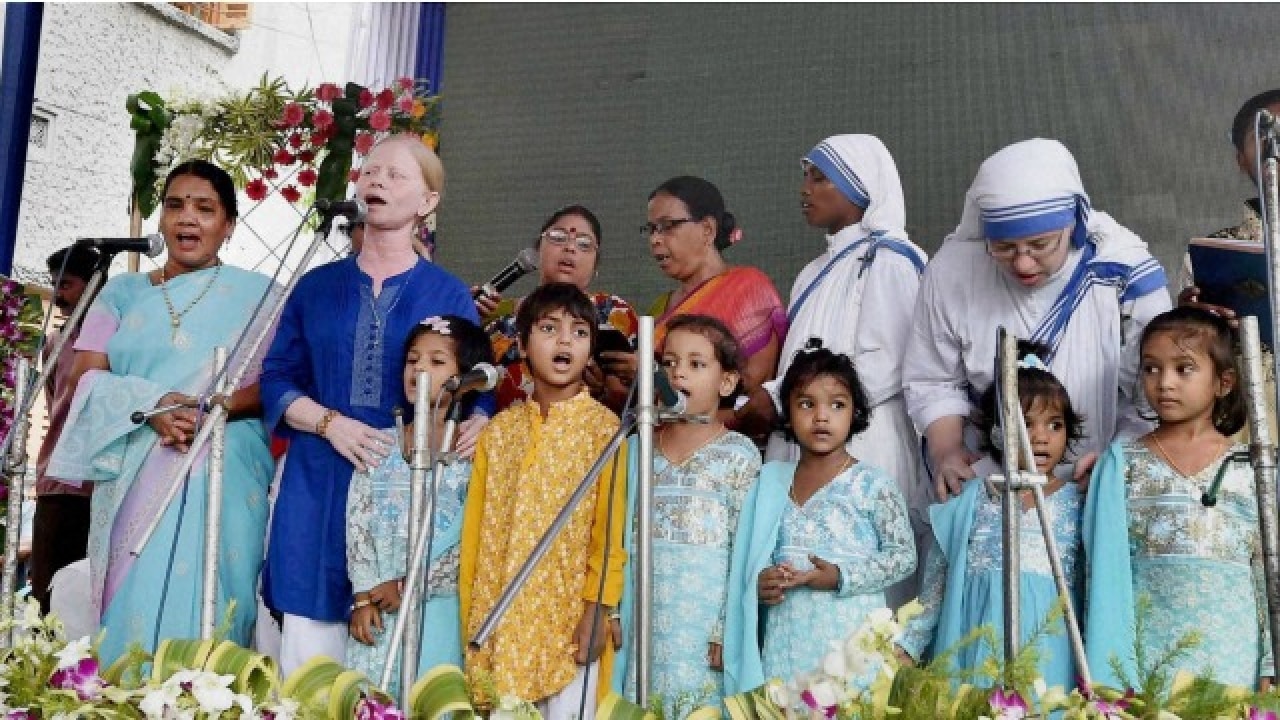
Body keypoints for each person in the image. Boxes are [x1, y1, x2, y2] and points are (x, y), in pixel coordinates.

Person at [260, 134, 488, 676]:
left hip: (405, 488)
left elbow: (480, 386)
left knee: (393, 662)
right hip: (319, 476)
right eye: (369, 171)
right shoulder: (314, 286)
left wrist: (480, 420)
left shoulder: (449, 294)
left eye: (395, 175)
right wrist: (328, 423)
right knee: (309, 662)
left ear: (428, 201)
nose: (377, 181)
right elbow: (277, 377)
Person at [47, 160, 277, 664]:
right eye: (175, 206)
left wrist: (208, 408)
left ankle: (210, 692)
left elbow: (280, 382)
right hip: (136, 456)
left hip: (223, 459)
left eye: (205, 208)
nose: (187, 218)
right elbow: (85, 376)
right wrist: (150, 405)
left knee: (214, 602)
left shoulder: (262, 295)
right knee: (131, 603)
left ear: (229, 224)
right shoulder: (120, 293)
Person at [903, 138, 1171, 502]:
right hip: (988, 480)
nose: (1022, 263)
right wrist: (946, 451)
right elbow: (934, 380)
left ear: (1074, 225)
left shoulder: (1124, 273)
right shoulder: (952, 272)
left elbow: (1148, 393)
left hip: (1092, 475)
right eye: (1004, 248)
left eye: (1040, 245)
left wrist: (1117, 460)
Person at [766, 134, 930, 608]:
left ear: (862, 187)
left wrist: (803, 400)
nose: (806, 189)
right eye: (806, 177)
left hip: (865, 437)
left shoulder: (892, 259)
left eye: (821, 178)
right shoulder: (814, 269)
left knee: (871, 590)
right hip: (800, 432)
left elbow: (889, 363)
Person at [459, 283, 627, 720]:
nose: (564, 341)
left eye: (579, 332)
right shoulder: (500, 431)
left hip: (568, 621)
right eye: (549, 328)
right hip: (500, 619)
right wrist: (473, 616)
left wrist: (598, 608)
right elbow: (476, 537)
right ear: (521, 344)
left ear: (590, 350)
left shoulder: (605, 429)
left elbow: (610, 534)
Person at [1084, 307, 1273, 689]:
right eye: (1151, 368)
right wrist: (1113, 678)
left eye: (1183, 369)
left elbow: (1265, 570)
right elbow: (1101, 574)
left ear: (1224, 382)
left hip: (1233, 657)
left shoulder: (1252, 466)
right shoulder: (1121, 464)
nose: (1164, 382)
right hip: (1146, 660)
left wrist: (1269, 662)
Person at [723, 345, 916, 694]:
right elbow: (751, 560)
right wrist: (762, 583)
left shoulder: (873, 484)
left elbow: (904, 557)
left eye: (837, 405)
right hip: (786, 642)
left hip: (851, 645)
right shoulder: (770, 482)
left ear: (855, 413)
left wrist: (841, 576)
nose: (821, 417)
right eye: (806, 404)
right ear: (787, 412)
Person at [897, 344, 1084, 690]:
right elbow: (935, 590)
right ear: (997, 432)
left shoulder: (1081, 502)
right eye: (1026, 424)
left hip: (1053, 651)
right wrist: (907, 646)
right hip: (978, 645)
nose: (1040, 437)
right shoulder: (969, 501)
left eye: (1055, 425)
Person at [612, 314, 762, 715]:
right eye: (669, 362)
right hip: (642, 615)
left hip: (703, 626)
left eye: (696, 364)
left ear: (726, 382)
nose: (678, 373)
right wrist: (611, 609)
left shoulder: (739, 455)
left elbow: (745, 553)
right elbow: (616, 538)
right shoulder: (637, 449)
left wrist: (726, 628)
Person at [345, 315, 493, 696]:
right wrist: (363, 597)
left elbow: (473, 542)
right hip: (379, 612)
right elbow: (357, 523)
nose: (420, 369)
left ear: (467, 379)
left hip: (439, 609)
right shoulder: (379, 446)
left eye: (437, 361)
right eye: (413, 360)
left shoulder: (473, 456)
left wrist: (409, 585)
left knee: (431, 700)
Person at [601, 176, 786, 444]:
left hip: (726, 450)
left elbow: (750, 400)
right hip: (657, 450)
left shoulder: (749, 287)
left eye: (667, 227)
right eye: (651, 229)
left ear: (708, 230)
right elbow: (643, 403)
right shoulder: (661, 306)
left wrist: (653, 376)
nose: (655, 239)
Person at [474, 205, 638, 413]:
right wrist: (468, 316)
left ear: (596, 266)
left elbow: (638, 398)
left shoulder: (616, 313)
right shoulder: (498, 321)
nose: (570, 247)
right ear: (537, 251)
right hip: (507, 429)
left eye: (584, 244)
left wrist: (606, 390)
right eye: (558, 237)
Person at [30, 243, 102, 613]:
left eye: (67, 284)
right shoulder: (55, 344)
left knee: (89, 588)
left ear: (94, 284)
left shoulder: (117, 339)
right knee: (46, 589)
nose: (58, 294)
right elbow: (54, 402)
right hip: (58, 479)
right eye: (54, 284)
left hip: (101, 481)